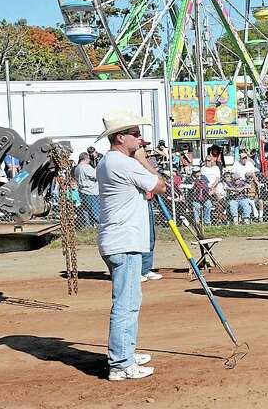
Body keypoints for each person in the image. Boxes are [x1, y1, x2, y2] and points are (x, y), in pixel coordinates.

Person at [95, 110, 167, 381]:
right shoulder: (123, 162)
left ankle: (125, 351)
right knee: (126, 304)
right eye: (135, 134)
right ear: (120, 137)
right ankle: (121, 364)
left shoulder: (110, 161)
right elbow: (160, 185)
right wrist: (143, 161)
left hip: (121, 240)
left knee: (130, 301)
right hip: (123, 241)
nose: (140, 139)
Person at [74, 152, 101, 228]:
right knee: (95, 210)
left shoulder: (77, 168)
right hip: (91, 192)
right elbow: (96, 175)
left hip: (82, 191)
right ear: (85, 158)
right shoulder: (86, 167)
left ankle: (88, 226)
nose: (89, 160)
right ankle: (99, 226)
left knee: (86, 210)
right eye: (89, 158)